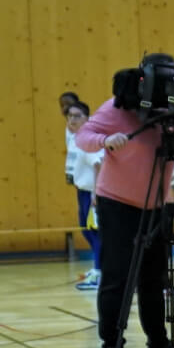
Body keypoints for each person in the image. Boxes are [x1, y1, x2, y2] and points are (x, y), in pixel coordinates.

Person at [74, 55, 174, 348]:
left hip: (156, 206)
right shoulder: (117, 107)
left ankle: (159, 344)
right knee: (117, 277)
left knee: (154, 278)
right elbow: (83, 137)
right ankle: (112, 346)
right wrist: (105, 140)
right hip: (117, 203)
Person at [63, 100, 103, 290]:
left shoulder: (88, 141)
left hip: (91, 193)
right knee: (86, 230)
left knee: (95, 233)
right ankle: (99, 268)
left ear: (88, 118)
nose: (72, 119)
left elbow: (99, 164)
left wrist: (97, 193)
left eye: (77, 116)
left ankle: (99, 272)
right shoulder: (74, 137)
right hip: (81, 191)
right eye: (70, 116)